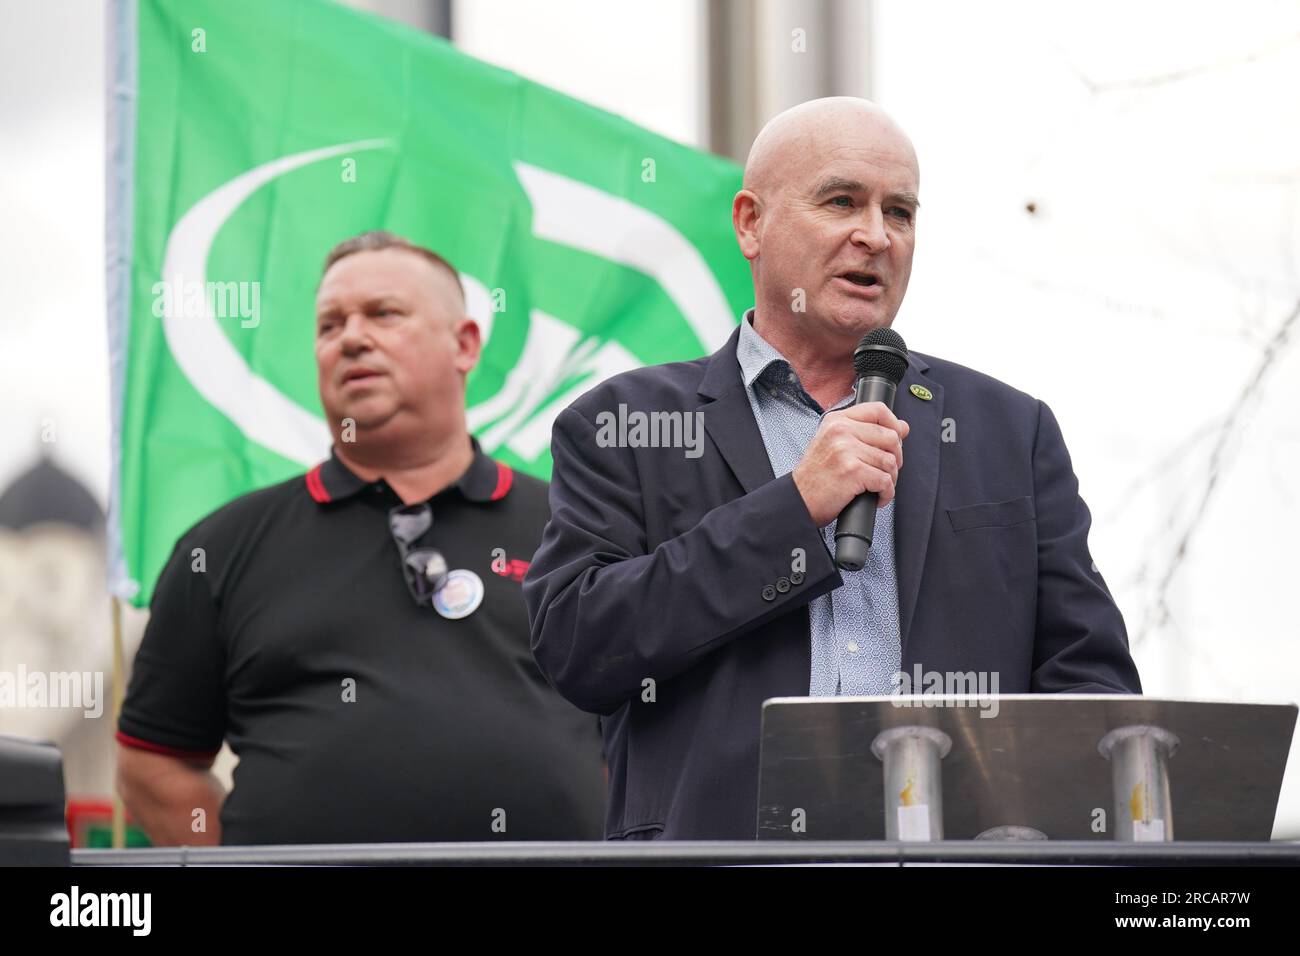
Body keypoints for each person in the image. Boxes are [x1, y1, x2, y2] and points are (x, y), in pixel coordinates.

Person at [524, 97, 1141, 841]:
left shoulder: (1011, 431)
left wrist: (1036, 823)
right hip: (719, 862)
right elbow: (580, 647)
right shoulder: (625, 423)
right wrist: (794, 509)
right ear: (751, 222)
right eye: (841, 201)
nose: (875, 236)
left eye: (901, 212)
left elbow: (1090, 686)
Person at [117, 231, 605, 845]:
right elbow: (151, 762)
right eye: (329, 325)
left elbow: (648, 731)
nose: (351, 338)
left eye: (383, 314)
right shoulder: (219, 548)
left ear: (465, 344)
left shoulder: (578, 529)